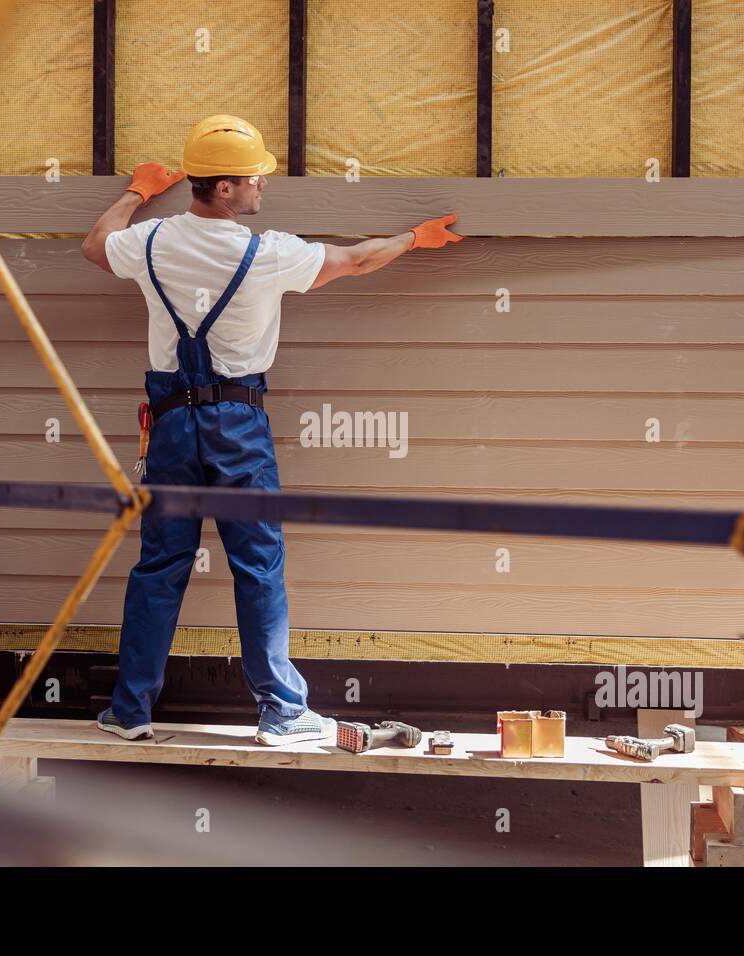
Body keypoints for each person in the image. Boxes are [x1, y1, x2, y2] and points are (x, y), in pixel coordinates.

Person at [81, 114, 462, 745]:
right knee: (257, 565)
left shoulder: (149, 242)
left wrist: (137, 192)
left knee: (159, 566)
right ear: (224, 189)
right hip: (238, 426)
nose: (264, 185)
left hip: (172, 424)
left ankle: (130, 711)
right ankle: (282, 713)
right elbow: (357, 259)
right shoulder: (268, 253)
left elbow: (96, 245)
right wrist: (414, 239)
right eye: (255, 176)